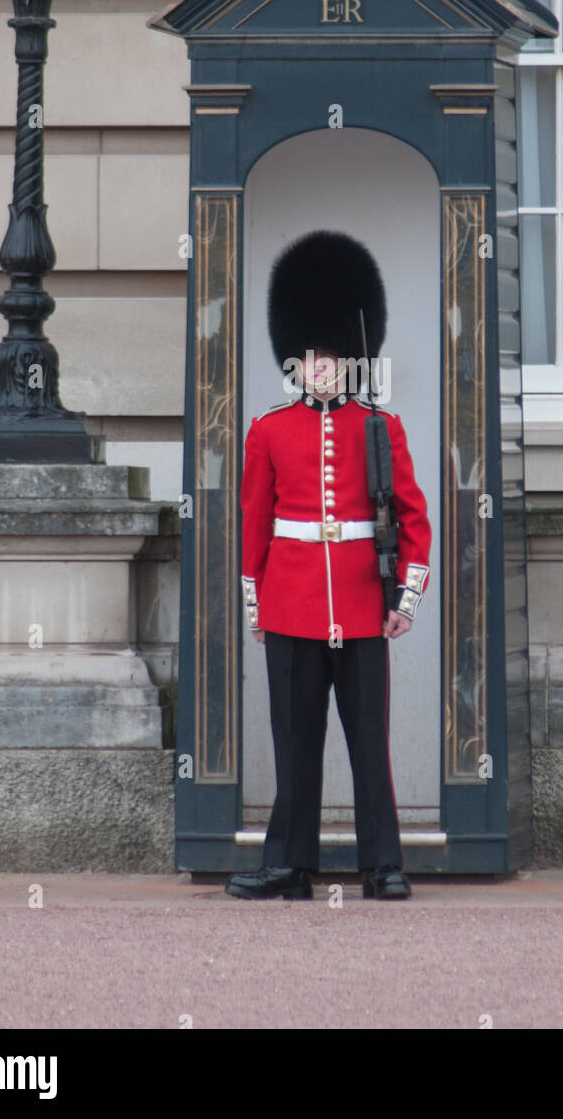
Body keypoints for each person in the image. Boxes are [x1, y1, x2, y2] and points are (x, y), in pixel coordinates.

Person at [225, 230, 432, 902]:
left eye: (331, 355)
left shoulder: (381, 428)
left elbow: (412, 519)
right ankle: (289, 864)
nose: (320, 366)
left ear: (349, 358)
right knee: (296, 744)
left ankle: (382, 865)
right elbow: (255, 521)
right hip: (289, 604)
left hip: (362, 604)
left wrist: (405, 599)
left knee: (369, 744)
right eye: (310, 356)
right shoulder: (267, 430)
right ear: (295, 360)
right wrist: (254, 604)